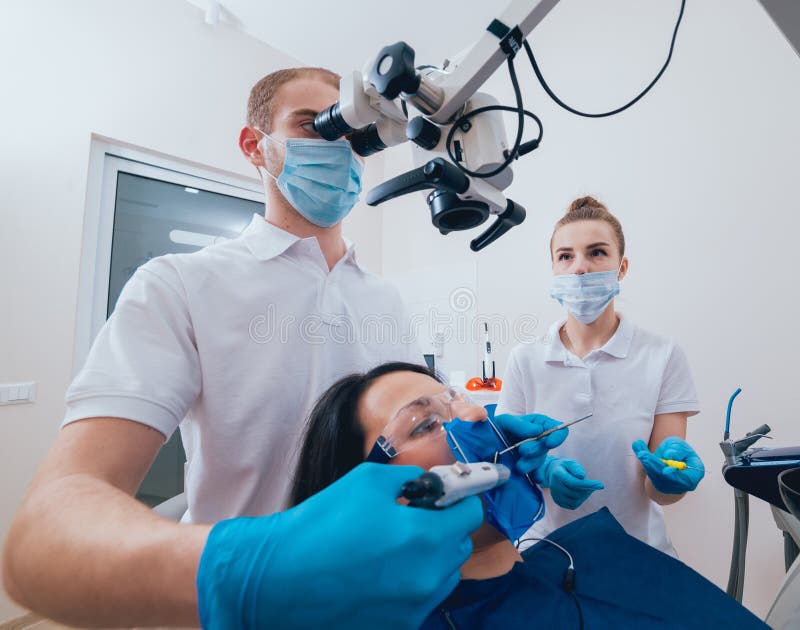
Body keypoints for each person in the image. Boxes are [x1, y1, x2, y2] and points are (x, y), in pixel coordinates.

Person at [2, 67, 481, 629]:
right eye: (317, 125)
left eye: (353, 134)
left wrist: (482, 439)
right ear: (257, 146)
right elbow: (42, 541)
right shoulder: (179, 285)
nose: (340, 146)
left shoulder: (384, 298)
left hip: (387, 602)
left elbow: (415, 433)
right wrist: (245, 569)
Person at [289, 361, 766, 629]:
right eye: (427, 423)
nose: (477, 417)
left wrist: (664, 481)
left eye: (455, 398)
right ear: (362, 494)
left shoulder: (586, 555)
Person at [496, 195, 704, 556]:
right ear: (554, 270)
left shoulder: (662, 354)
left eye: (596, 253)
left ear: (621, 267)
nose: (580, 268)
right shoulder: (524, 359)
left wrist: (671, 481)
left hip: (638, 551)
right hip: (545, 550)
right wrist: (542, 470)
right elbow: (504, 466)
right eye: (565, 256)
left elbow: (662, 492)